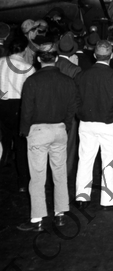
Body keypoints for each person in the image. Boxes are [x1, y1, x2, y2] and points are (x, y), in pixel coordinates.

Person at [17, 41, 78, 231]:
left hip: (38, 131)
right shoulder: (68, 81)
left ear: (38, 59)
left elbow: (26, 111)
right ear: (57, 58)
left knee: (37, 176)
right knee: (59, 173)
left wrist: (25, 130)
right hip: (59, 130)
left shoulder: (32, 81)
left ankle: (37, 218)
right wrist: (65, 126)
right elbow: (72, 108)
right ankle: (60, 214)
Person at [74, 40, 113, 209]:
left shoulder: (81, 75)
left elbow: (75, 101)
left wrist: (81, 115)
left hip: (86, 123)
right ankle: (108, 200)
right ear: (111, 56)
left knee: (85, 160)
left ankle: (82, 197)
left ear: (94, 55)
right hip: (109, 124)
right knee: (110, 162)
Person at [0, 37, 36, 192]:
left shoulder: (0, 62)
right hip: (19, 107)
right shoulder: (28, 68)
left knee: (3, 142)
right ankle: (23, 183)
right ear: (24, 49)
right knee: (21, 145)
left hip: (1, 104)